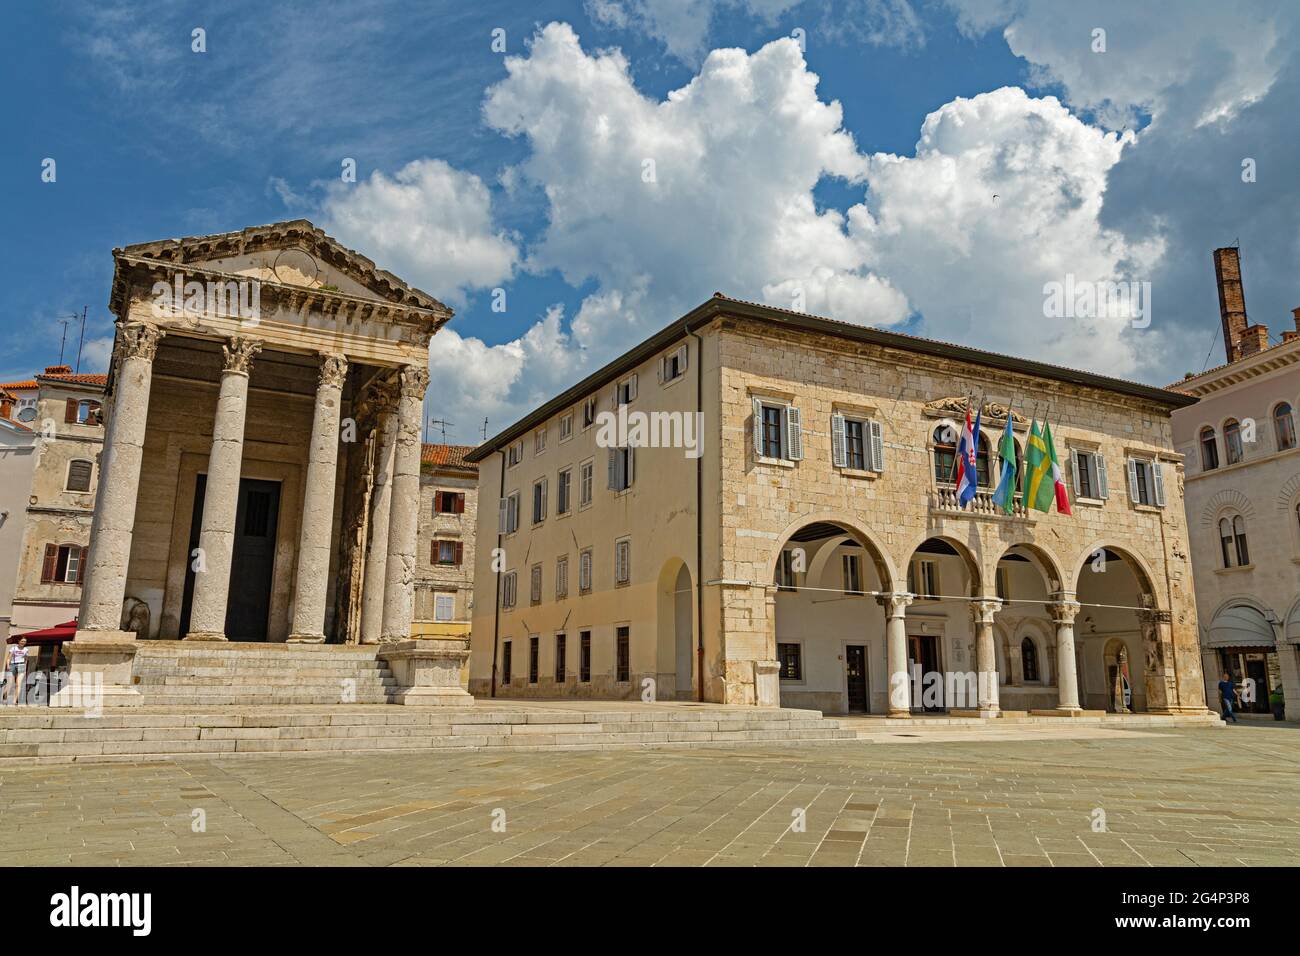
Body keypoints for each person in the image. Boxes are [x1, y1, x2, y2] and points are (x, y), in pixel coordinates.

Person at [3, 638, 29, 706]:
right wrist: (8, 666)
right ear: (19, 641)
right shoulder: (13, 648)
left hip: (21, 665)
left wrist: (25, 667)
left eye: (25, 641)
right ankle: (5, 696)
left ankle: (14, 700)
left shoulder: (26, 649)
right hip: (13, 665)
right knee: (10, 683)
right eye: (22, 641)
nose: (23, 642)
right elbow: (8, 658)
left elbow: (26, 659)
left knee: (18, 684)